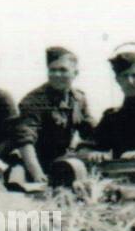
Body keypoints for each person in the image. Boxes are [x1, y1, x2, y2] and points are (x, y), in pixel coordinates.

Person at [14, 46, 94, 182]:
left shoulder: (78, 99)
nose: (57, 75)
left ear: (75, 73)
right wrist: (37, 174)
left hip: (64, 164)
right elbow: (25, 140)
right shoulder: (34, 101)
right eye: (52, 70)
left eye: (63, 70)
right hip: (35, 166)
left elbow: (91, 131)